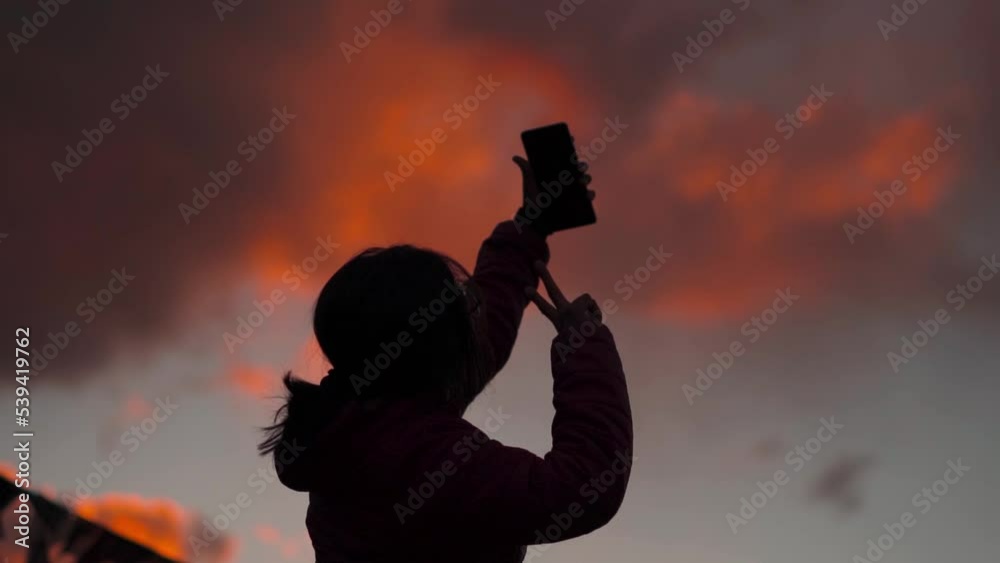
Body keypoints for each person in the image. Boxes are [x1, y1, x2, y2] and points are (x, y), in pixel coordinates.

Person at [259, 155, 633, 562]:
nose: (474, 314)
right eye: (461, 311)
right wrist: (585, 348)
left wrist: (531, 227)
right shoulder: (424, 460)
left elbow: (483, 337)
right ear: (441, 348)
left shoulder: (358, 423)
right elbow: (582, 486)